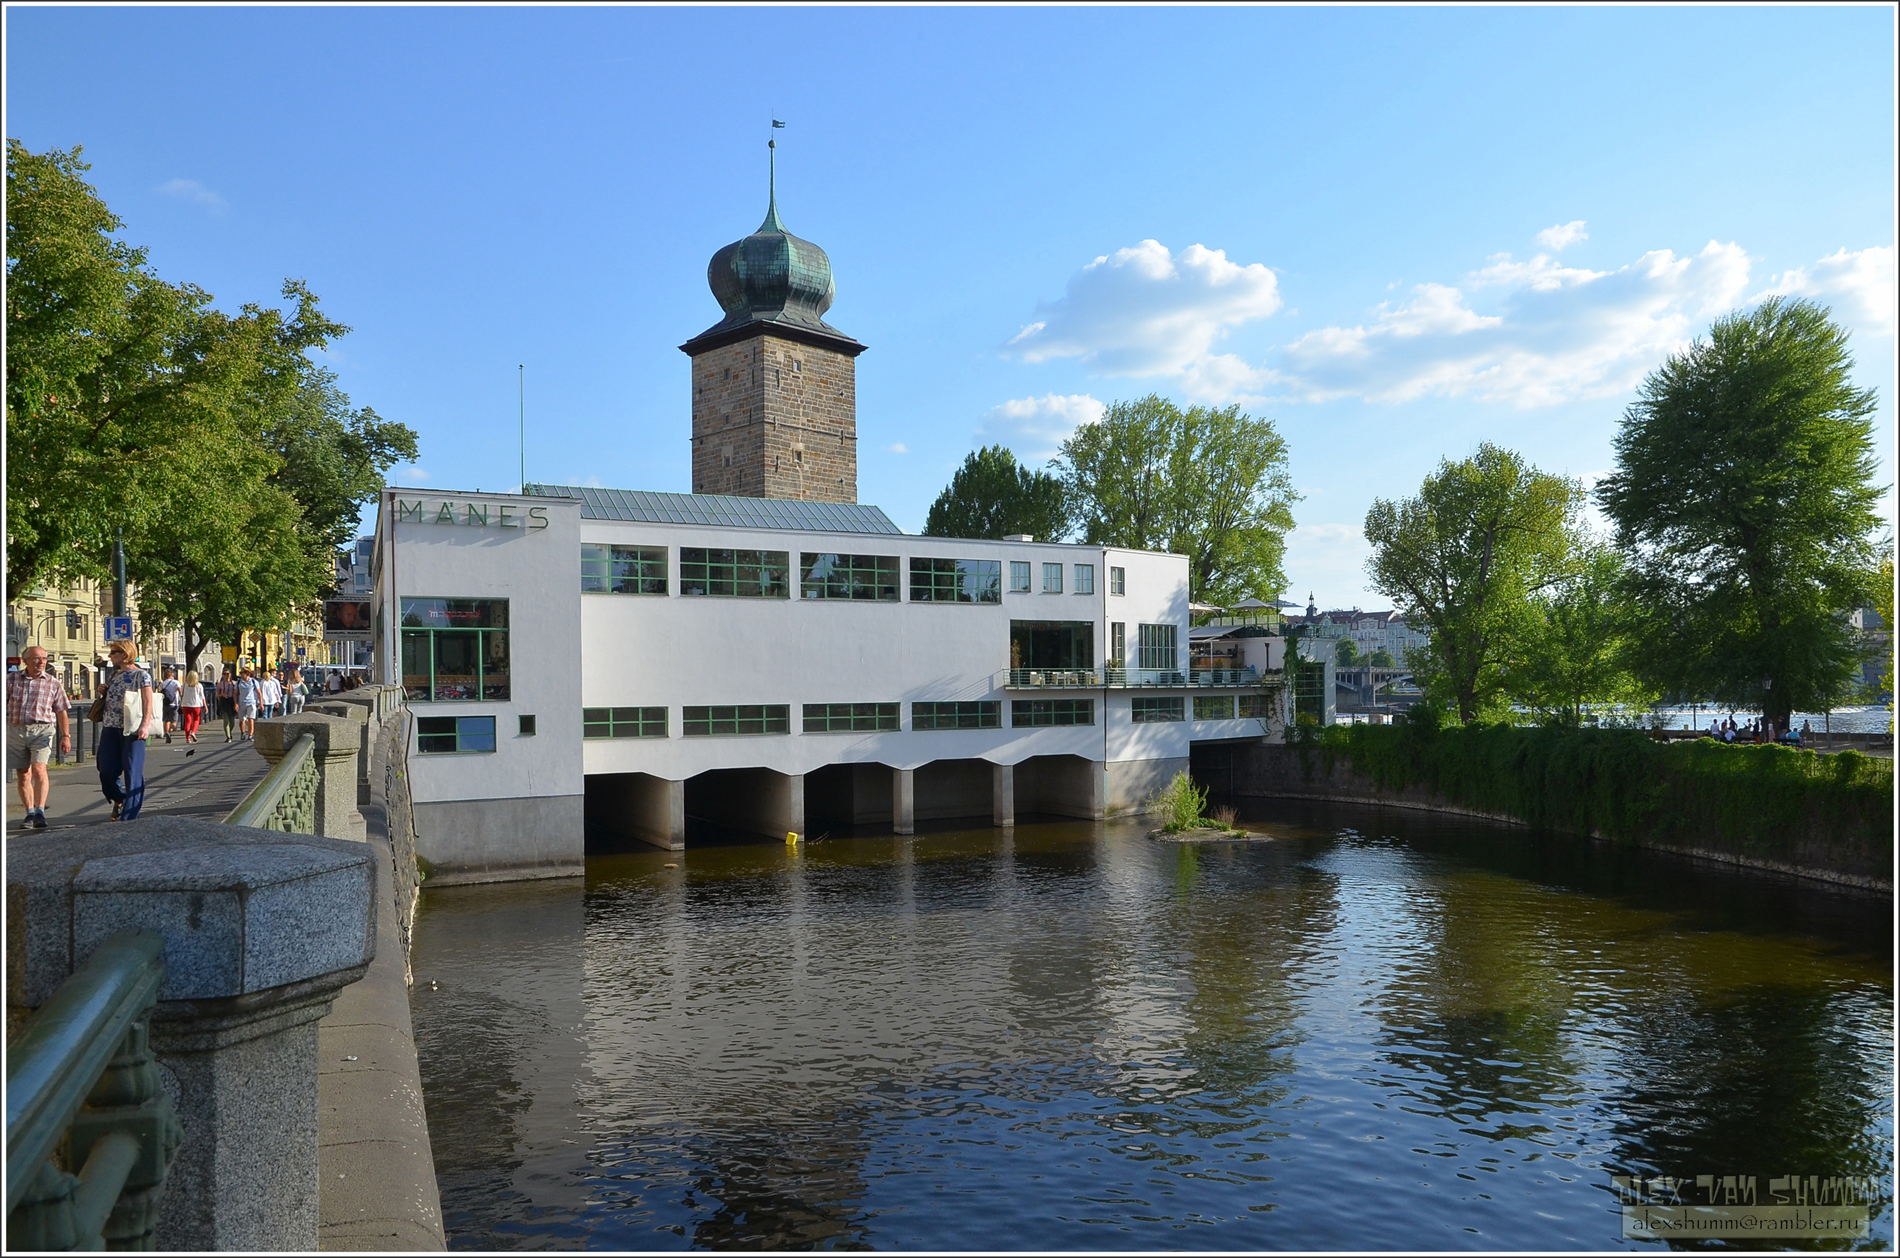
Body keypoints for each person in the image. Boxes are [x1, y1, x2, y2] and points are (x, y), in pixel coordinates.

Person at [7, 645, 72, 830]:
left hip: (42, 730)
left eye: (44, 658)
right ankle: (29, 813)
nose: (41, 662)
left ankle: (40, 811)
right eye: (36, 658)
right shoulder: (11, 680)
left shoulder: (52, 682)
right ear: (25, 660)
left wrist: (66, 736)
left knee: (39, 769)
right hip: (16, 730)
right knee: (23, 773)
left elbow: (61, 711)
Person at [97, 639, 154, 821]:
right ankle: (120, 797)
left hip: (132, 729)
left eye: (114, 652)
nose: (110, 655)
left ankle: (129, 817)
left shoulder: (141, 676)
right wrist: (104, 691)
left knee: (132, 772)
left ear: (125, 653)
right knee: (105, 769)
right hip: (110, 727)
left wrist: (145, 724)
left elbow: (148, 702)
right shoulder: (114, 675)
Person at [178, 668, 205, 743]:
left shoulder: (185, 685)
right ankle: (193, 732)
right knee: (196, 719)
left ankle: (187, 738)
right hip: (196, 704)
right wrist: (205, 706)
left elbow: (181, 695)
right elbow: (202, 696)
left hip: (186, 704)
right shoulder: (199, 685)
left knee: (188, 721)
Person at [236, 667, 260, 740]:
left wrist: (261, 703)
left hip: (251, 702)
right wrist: (235, 703)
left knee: (251, 719)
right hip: (242, 702)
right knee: (242, 720)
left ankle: (250, 735)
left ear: (247, 674)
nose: (241, 675)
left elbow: (259, 692)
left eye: (242, 673)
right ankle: (243, 732)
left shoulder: (253, 681)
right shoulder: (239, 682)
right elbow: (235, 693)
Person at [215, 668, 238, 742]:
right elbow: (216, 695)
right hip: (223, 702)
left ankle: (229, 732)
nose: (226, 675)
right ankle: (228, 736)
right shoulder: (220, 684)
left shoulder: (234, 683)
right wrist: (222, 695)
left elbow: (237, 693)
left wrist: (236, 703)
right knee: (226, 720)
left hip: (231, 702)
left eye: (228, 674)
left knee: (232, 722)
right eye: (224, 674)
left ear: (230, 674)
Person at [160, 666, 181, 744]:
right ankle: (170, 731)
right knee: (174, 720)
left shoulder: (162, 683)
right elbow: (179, 690)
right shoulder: (175, 682)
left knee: (166, 720)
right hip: (174, 703)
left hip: (165, 703)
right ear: (170, 676)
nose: (173, 677)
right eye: (172, 675)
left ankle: (166, 733)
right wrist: (181, 697)